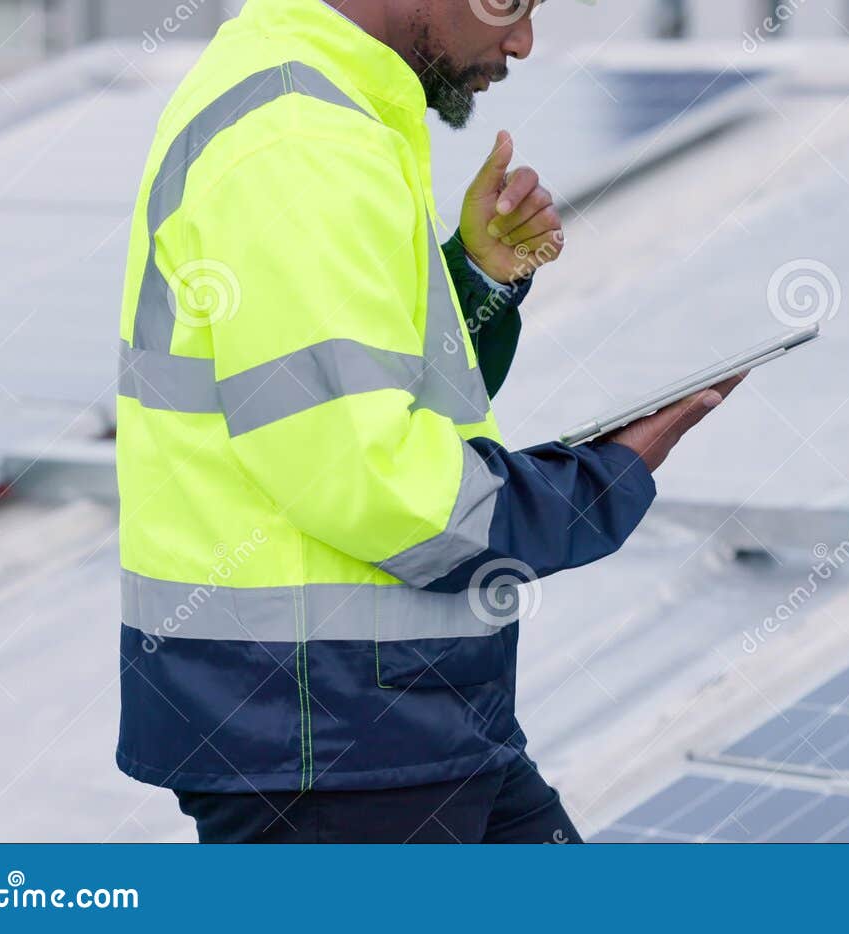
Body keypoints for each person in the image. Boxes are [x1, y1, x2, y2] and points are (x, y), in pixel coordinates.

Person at [114, 0, 740, 843]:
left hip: (382, 717)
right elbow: (366, 476)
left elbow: (358, 398)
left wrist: (477, 280)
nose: (523, 40)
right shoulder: (300, 141)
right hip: (328, 736)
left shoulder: (310, 100)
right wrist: (605, 479)